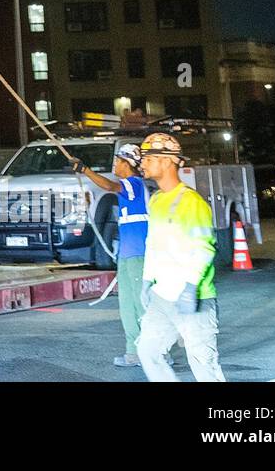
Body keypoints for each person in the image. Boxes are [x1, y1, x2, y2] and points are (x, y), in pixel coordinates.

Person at [135, 132, 225, 382]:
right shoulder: (156, 200)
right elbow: (152, 244)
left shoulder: (191, 202)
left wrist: (191, 286)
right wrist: (147, 280)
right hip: (162, 298)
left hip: (194, 299)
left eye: (148, 158)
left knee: (203, 364)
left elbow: (205, 248)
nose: (142, 163)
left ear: (166, 161)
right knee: (149, 352)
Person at [73, 142, 148, 367]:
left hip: (139, 255)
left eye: (117, 160)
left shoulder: (134, 184)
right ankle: (133, 352)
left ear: (127, 163)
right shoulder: (128, 187)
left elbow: (110, 186)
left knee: (141, 304)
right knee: (127, 305)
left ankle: (157, 352)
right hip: (127, 256)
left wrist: (84, 170)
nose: (114, 164)